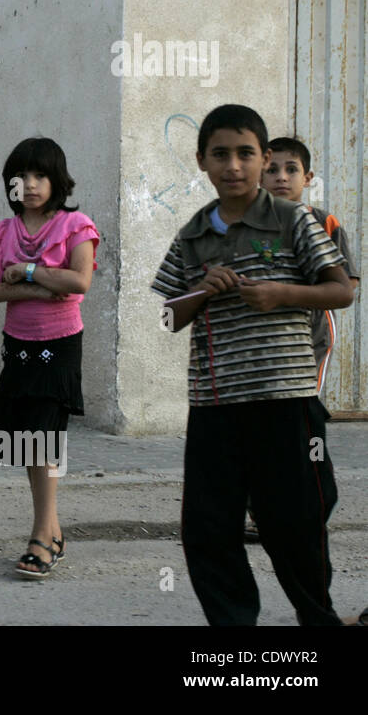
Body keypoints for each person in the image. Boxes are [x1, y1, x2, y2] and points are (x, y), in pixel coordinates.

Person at [152, 104, 354, 626]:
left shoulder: (293, 221)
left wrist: (280, 293)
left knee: (296, 525)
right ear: (202, 161)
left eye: (246, 154)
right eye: (221, 154)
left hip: (285, 403)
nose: (234, 166)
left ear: (264, 159)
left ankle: (318, 620)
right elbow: (166, 320)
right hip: (216, 407)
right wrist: (199, 290)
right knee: (208, 529)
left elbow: (340, 290)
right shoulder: (193, 234)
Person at [0, 138, 98, 579]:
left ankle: (41, 540)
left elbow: (79, 281)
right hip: (18, 348)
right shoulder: (1, 233)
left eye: (39, 176)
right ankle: (54, 532)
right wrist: (43, 286)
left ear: (56, 180)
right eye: (21, 177)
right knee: (28, 440)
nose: (29, 185)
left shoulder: (75, 225)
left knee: (44, 439)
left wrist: (26, 270)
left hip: (59, 346)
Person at [251, 136, 361, 544]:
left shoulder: (325, 223)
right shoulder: (247, 224)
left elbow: (346, 286)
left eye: (291, 169)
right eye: (272, 169)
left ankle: (312, 504)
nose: (281, 177)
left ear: (308, 177)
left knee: (298, 422)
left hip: (307, 338)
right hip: (258, 341)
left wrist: (291, 290)